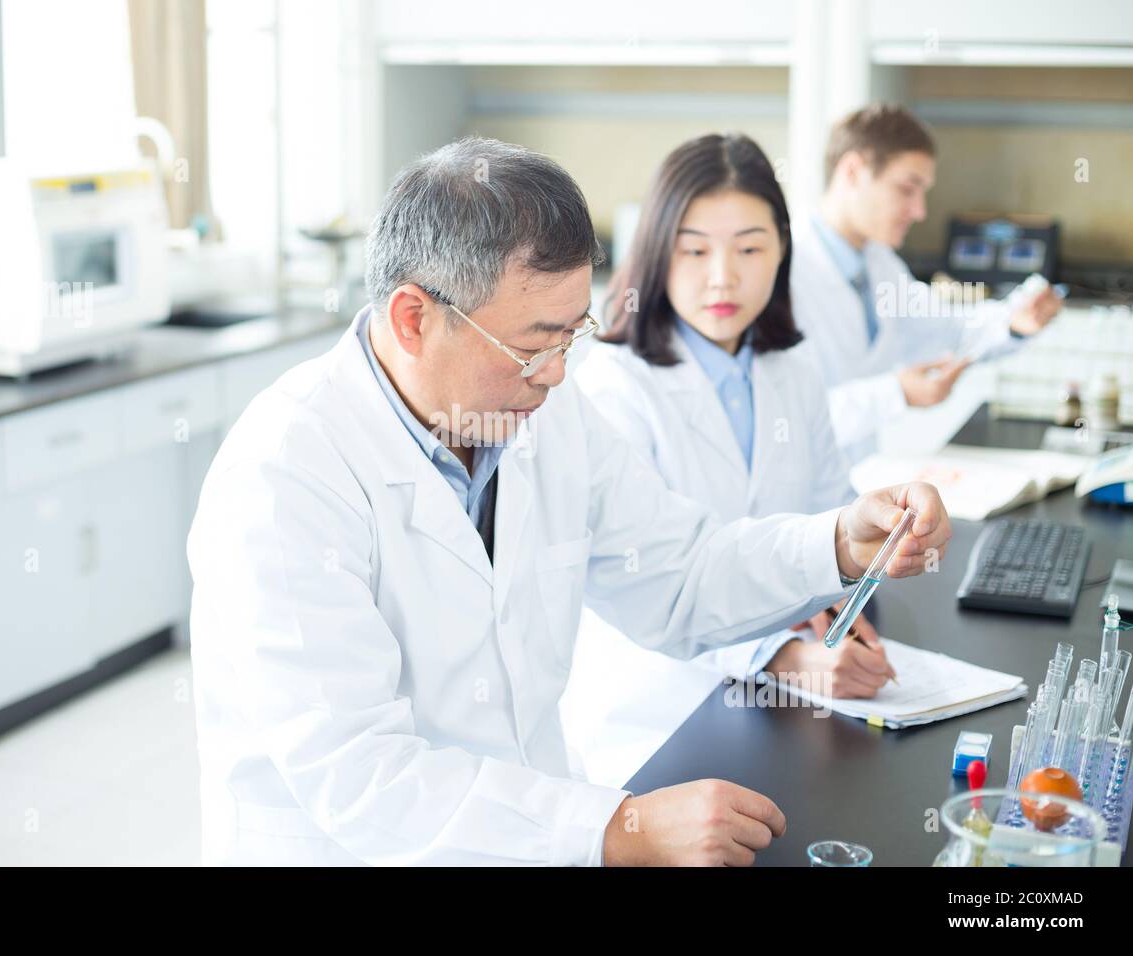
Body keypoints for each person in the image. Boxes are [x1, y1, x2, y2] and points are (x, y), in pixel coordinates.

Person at [186, 137, 952, 867]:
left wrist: (841, 542)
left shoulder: (541, 414)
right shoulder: (286, 475)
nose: (556, 374)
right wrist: (616, 825)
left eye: (572, 335)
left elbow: (679, 573)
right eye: (534, 345)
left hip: (535, 833)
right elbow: (361, 778)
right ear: (413, 319)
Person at [561, 133, 897, 787]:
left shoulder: (792, 368)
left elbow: (824, 507)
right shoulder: (614, 388)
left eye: (749, 248)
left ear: (782, 252)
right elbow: (653, 582)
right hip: (659, 719)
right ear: (658, 255)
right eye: (694, 250)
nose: (723, 276)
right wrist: (784, 658)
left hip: (792, 712)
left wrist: (836, 612)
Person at [792, 103, 1062, 463]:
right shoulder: (785, 273)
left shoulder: (881, 265)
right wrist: (895, 393)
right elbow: (790, 419)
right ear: (853, 172)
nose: (919, 211)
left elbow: (947, 333)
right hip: (794, 503)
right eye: (907, 189)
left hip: (853, 492)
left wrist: (1014, 323)